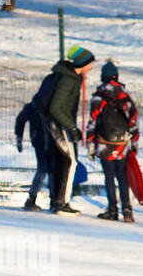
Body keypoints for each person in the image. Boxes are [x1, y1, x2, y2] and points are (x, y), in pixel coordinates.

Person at [34, 44, 96, 214]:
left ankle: (56, 201)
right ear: (82, 64)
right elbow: (56, 108)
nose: (91, 67)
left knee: (61, 162)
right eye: (90, 64)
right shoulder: (69, 79)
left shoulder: (69, 77)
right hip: (58, 125)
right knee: (70, 162)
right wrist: (71, 127)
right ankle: (62, 203)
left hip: (56, 124)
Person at [85, 60, 139, 223]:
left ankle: (112, 210)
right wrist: (134, 144)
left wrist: (90, 145)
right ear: (117, 76)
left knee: (109, 176)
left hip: (104, 142)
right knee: (122, 176)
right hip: (121, 143)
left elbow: (92, 122)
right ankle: (127, 210)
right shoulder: (125, 98)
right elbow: (134, 122)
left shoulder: (98, 98)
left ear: (103, 77)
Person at [14, 96, 51, 211]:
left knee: (45, 169)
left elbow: (20, 120)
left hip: (42, 140)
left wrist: (19, 137)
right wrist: (19, 138)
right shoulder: (39, 105)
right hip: (43, 141)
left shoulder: (33, 105)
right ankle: (33, 199)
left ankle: (35, 198)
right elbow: (20, 120)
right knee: (45, 169)